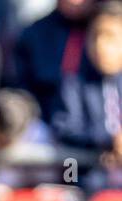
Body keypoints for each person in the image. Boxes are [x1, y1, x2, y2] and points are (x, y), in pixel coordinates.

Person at [50, 0, 122, 183]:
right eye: (95, 36)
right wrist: (108, 140)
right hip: (86, 181)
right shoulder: (73, 82)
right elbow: (66, 131)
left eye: (110, 37)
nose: (100, 46)